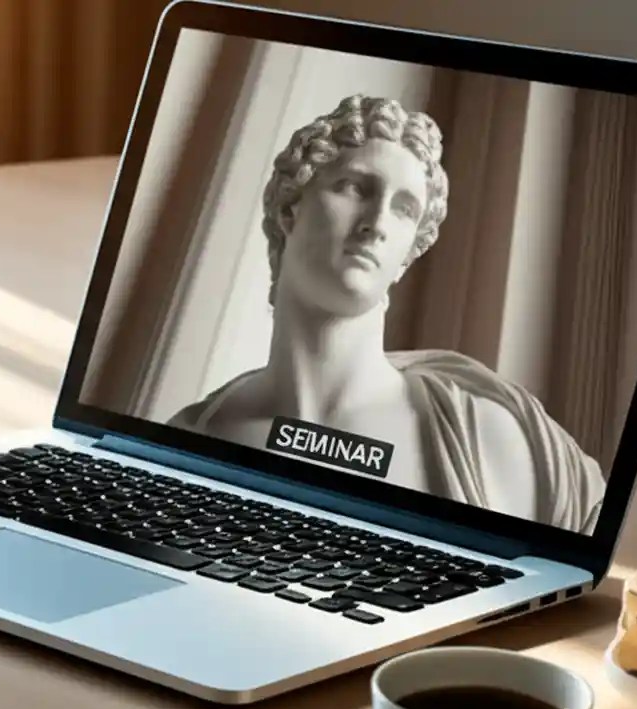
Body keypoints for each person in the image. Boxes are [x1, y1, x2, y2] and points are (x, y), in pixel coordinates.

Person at [168, 94, 605, 533]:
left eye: (404, 209)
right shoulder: (195, 436)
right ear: (289, 209)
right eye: (356, 187)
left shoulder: (490, 437)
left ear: (405, 257)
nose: (376, 223)